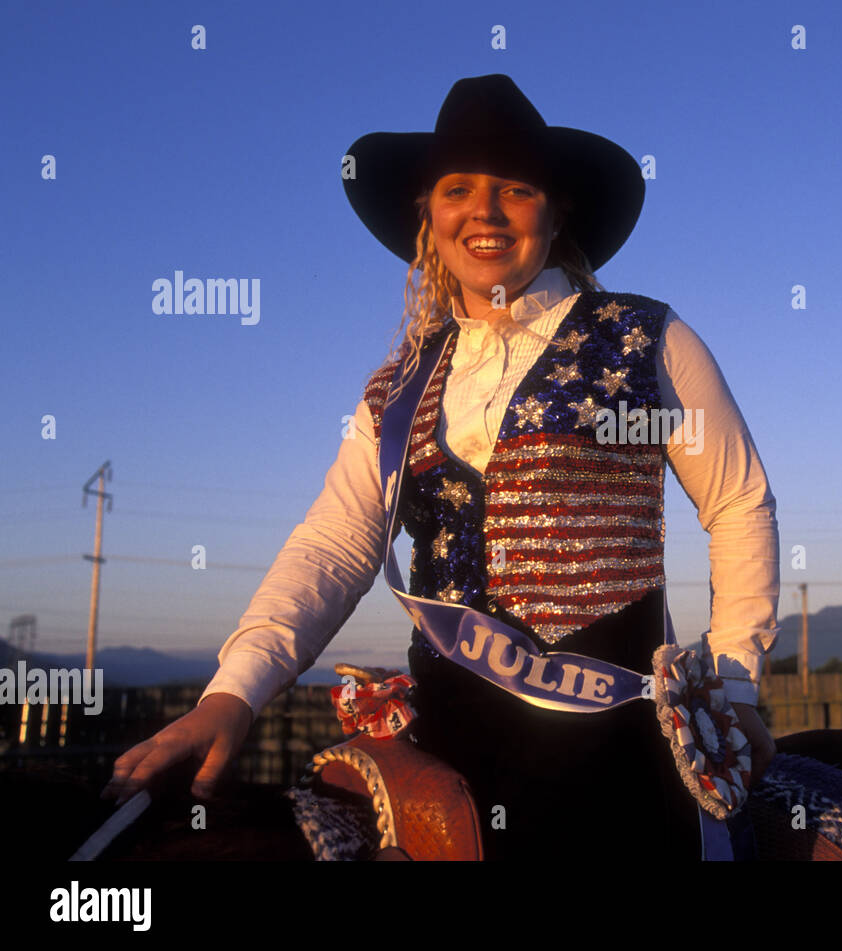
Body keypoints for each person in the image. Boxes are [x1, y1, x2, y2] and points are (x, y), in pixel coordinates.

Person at [102, 73, 780, 860]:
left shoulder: (645, 341)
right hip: (442, 726)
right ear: (428, 213)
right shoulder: (398, 388)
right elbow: (336, 543)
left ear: (557, 213)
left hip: (610, 741)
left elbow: (737, 502)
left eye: (515, 188)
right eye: (457, 188)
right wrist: (233, 693)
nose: (483, 211)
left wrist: (730, 690)